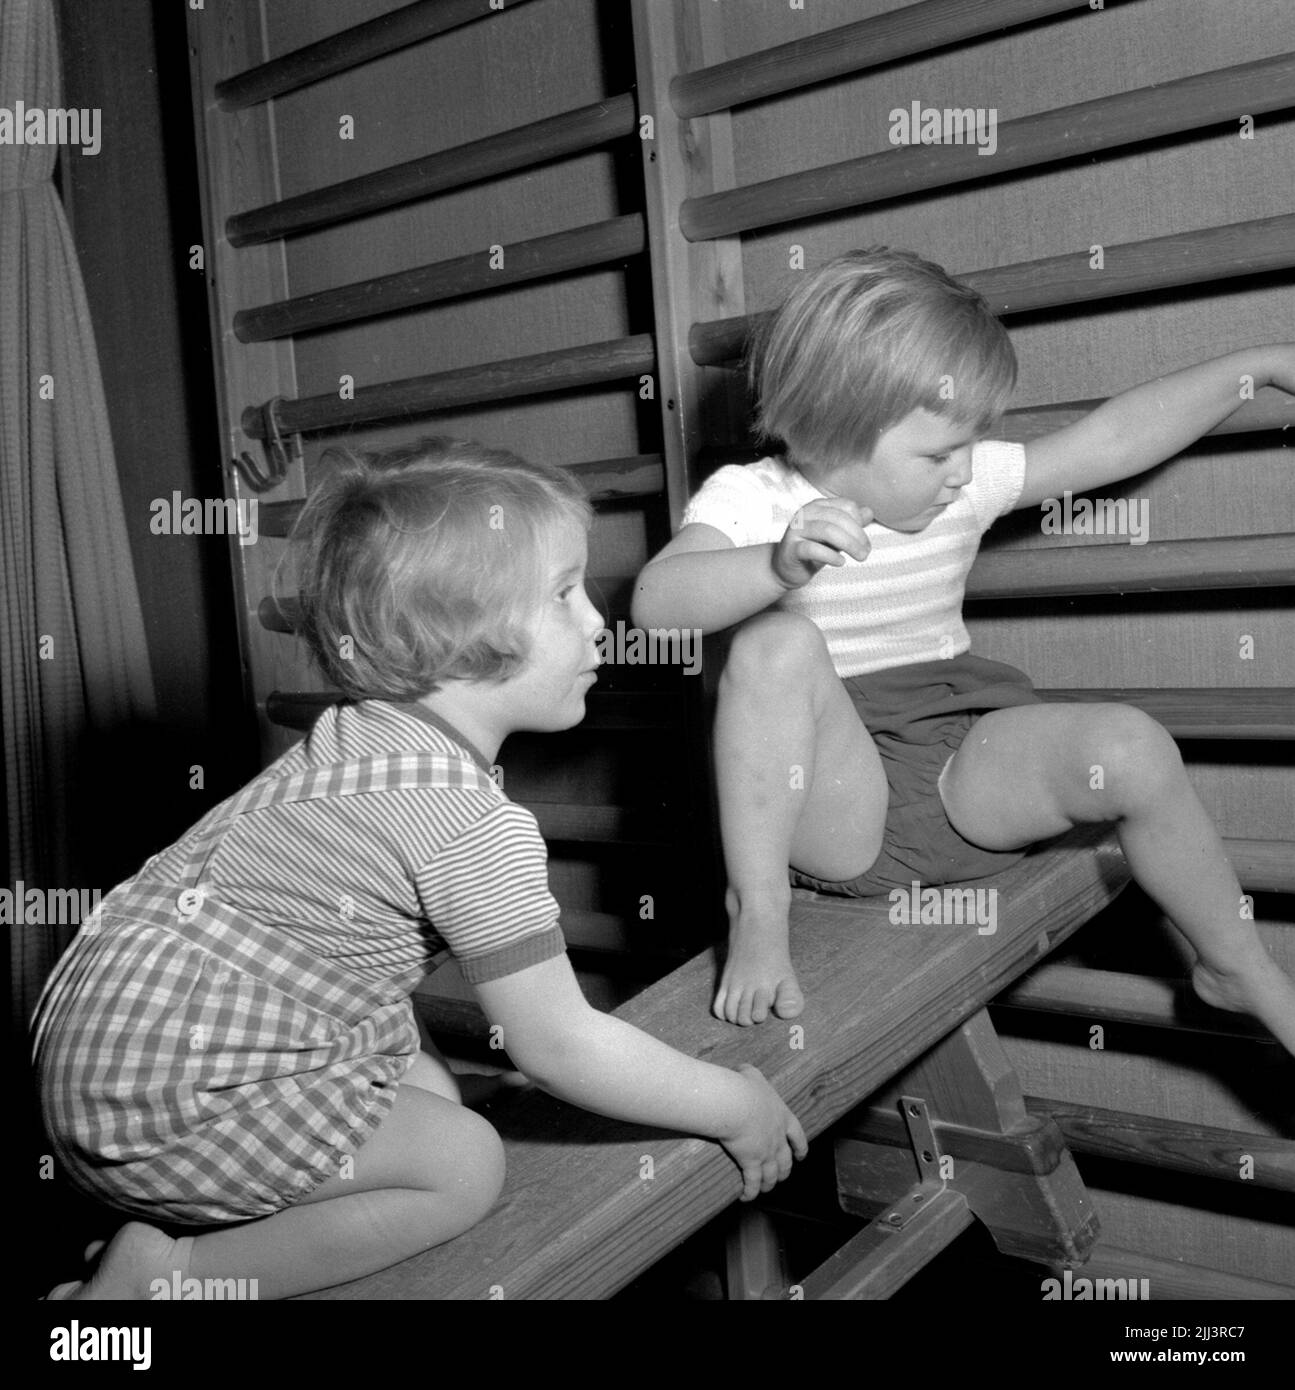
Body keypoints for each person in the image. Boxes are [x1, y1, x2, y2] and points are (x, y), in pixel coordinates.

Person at [32, 438, 807, 1300]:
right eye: (561, 594)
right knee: (463, 1166)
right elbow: (560, 1046)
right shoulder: (469, 826)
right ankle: (169, 1277)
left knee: (431, 1088)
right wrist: (735, 1107)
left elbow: (346, 968)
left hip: (111, 1045)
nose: (597, 620)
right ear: (453, 637)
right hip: (157, 1110)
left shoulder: (357, 741)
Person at [631, 247, 1295, 1055]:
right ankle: (758, 908)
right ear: (831, 425)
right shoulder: (758, 498)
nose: (960, 472)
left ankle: (1237, 966)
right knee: (776, 643)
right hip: (838, 806)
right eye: (937, 453)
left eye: (969, 446)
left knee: (1128, 745)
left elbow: (1112, 439)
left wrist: (1258, 367)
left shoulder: (960, 481)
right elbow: (656, 604)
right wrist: (770, 564)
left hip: (958, 769)